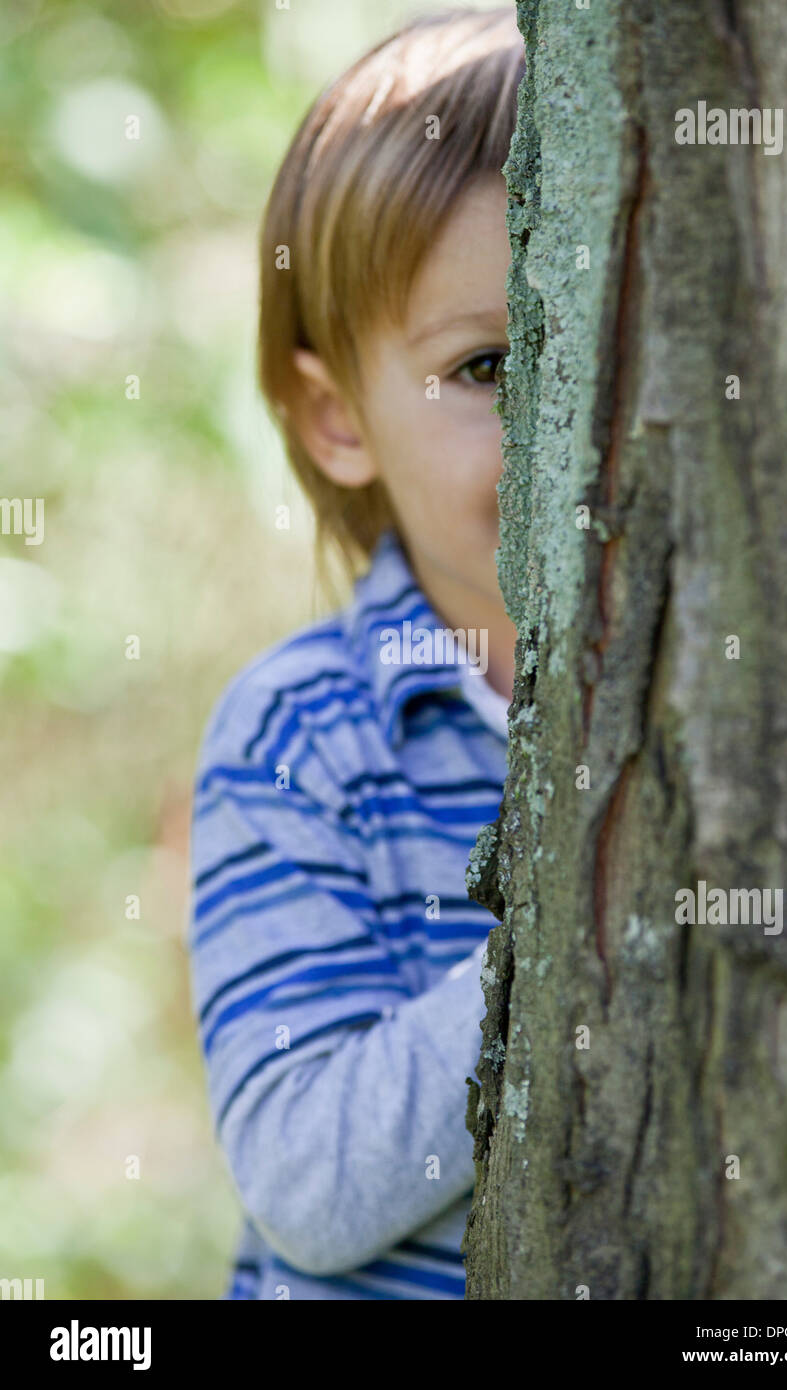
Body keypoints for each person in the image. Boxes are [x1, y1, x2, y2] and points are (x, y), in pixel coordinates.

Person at [188, 6, 523, 1299]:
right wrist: (590, 933)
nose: (577, 412)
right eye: (490, 362)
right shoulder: (299, 736)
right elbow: (306, 1182)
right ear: (338, 419)